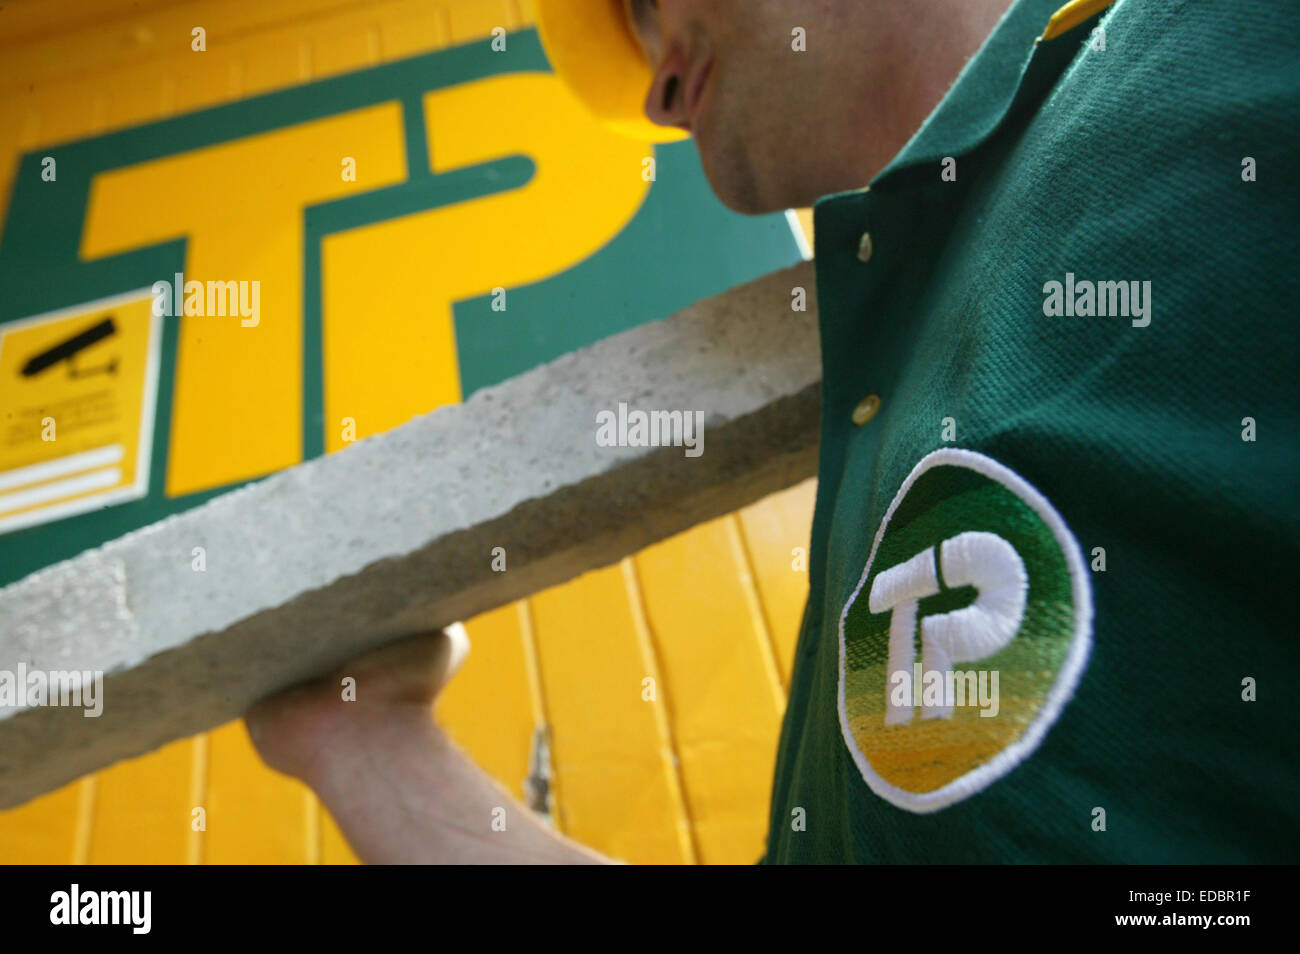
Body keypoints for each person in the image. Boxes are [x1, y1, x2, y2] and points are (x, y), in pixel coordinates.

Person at [246, 0, 1300, 863]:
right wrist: (364, 747)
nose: (656, 89)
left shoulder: (1217, 38)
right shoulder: (885, 409)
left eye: (646, 6)